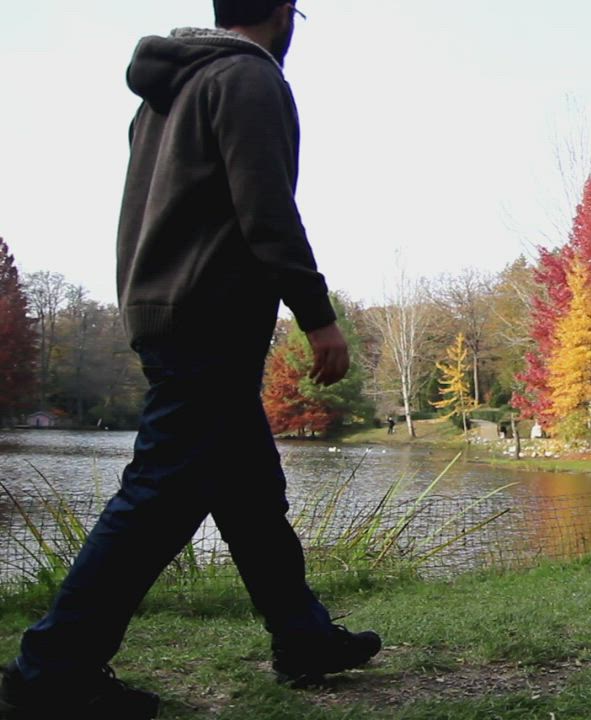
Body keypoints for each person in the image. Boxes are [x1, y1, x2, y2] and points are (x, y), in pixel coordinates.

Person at [0, 2, 380, 717]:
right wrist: (317, 314)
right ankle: (50, 670)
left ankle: (304, 638)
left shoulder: (168, 88)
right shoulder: (247, 77)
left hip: (165, 308)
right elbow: (265, 209)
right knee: (160, 495)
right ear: (278, 11)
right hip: (209, 315)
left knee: (249, 493)